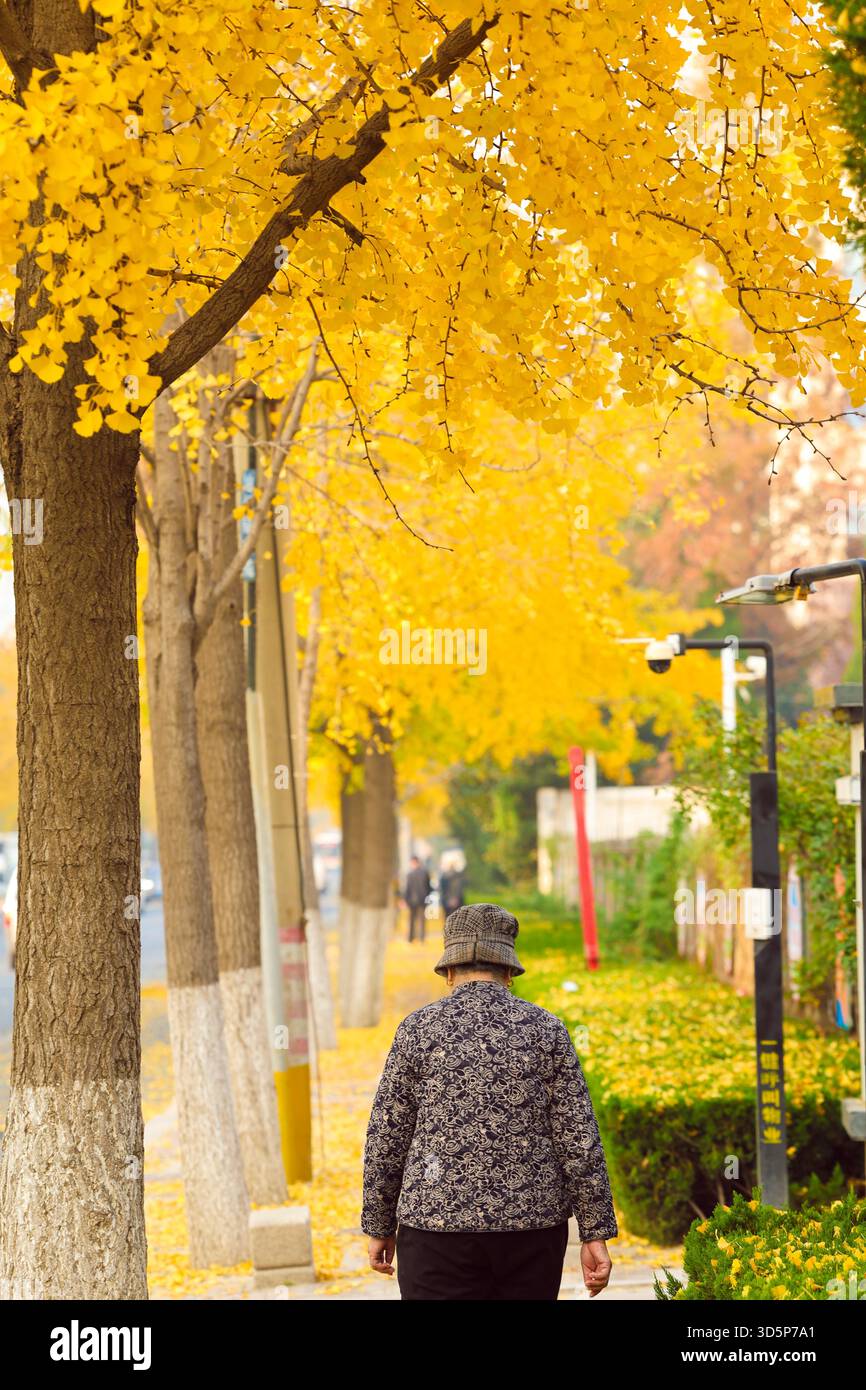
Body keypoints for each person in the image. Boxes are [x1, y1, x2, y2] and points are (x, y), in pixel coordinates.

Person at [361, 902, 617, 1301]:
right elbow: (578, 1137)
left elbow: (387, 1136)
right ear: (510, 973)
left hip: (434, 1228)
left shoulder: (417, 1030)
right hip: (531, 1230)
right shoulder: (546, 1030)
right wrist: (595, 1231)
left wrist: (378, 1224)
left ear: (448, 972)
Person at [404, 855, 431, 943]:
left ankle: (411, 938)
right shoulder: (424, 873)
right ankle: (421, 938)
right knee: (420, 920)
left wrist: (406, 899)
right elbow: (428, 887)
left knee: (413, 920)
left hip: (413, 900)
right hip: (421, 899)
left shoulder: (410, 874)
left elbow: (407, 889)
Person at [438, 849, 465, 920]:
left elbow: (442, 889)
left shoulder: (444, 876)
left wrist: (450, 899)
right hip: (454, 900)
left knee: (448, 918)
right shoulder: (458, 875)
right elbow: (458, 888)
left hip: (448, 900)